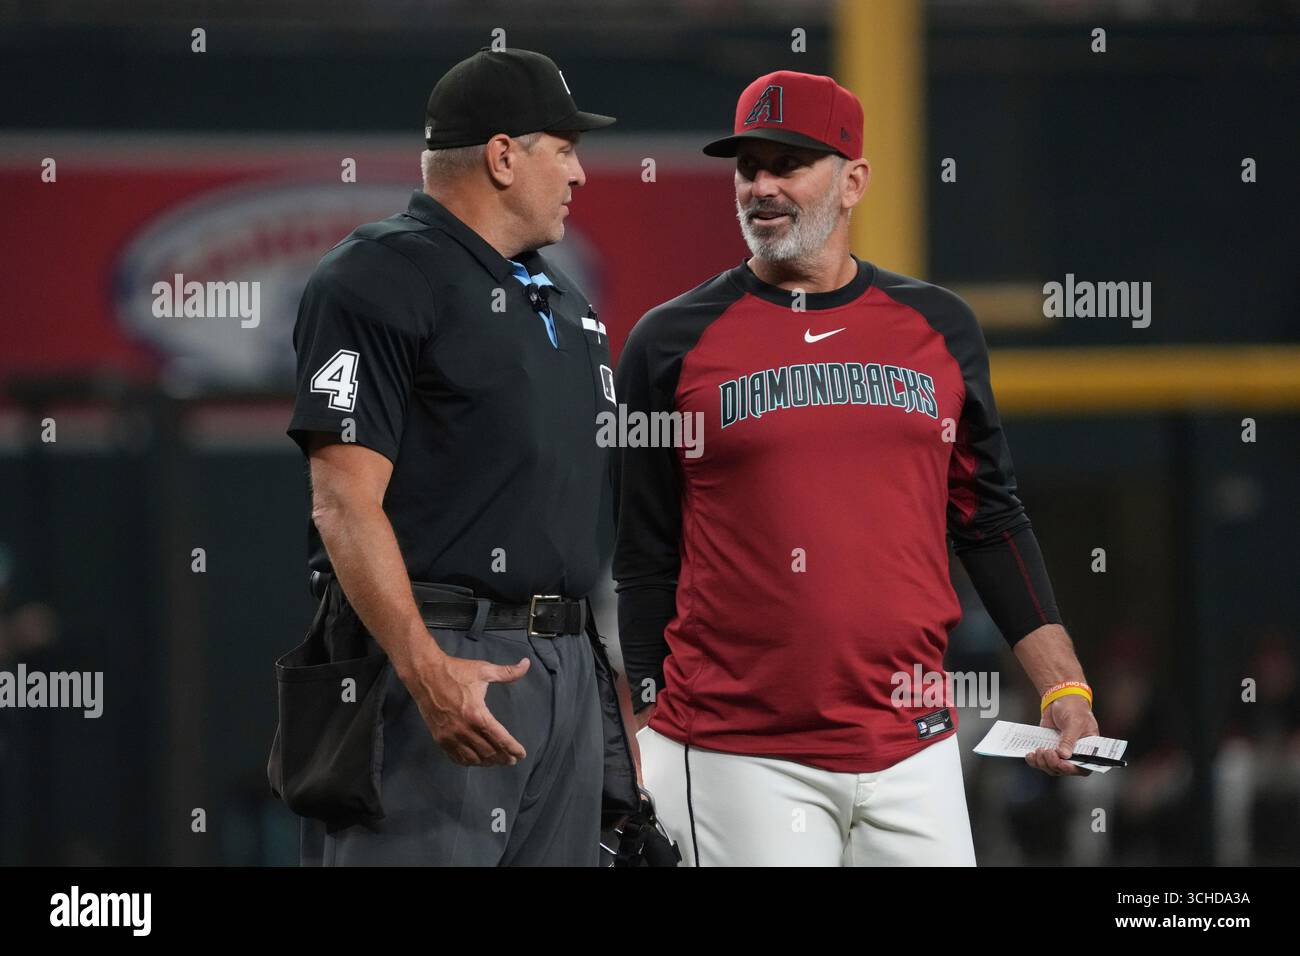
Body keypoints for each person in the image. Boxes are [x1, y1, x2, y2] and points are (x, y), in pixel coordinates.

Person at [613, 70, 1100, 866]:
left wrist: (1064, 687)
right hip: (738, 750)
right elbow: (644, 557)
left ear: (853, 181)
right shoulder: (669, 342)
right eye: (747, 168)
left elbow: (991, 518)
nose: (762, 187)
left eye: (788, 163)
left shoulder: (939, 327)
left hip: (914, 741)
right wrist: (641, 725)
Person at [274, 47, 634, 866]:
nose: (580, 174)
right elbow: (342, 502)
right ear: (505, 156)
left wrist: (597, 703)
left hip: (568, 665)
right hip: (442, 656)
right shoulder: (377, 274)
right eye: (566, 148)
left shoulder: (566, 301)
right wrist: (425, 669)